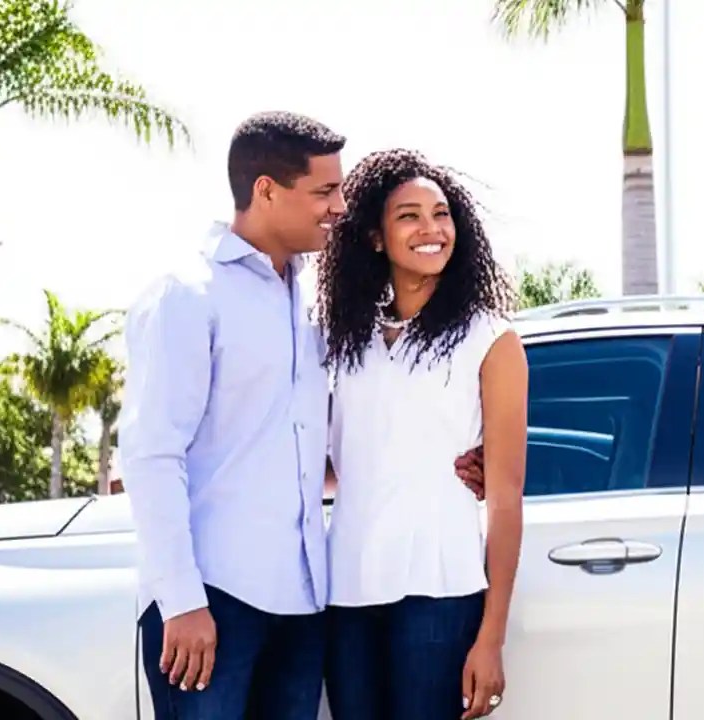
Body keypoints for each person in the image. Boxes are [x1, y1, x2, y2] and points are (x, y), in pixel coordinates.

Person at [118, 113, 484, 719]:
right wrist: (180, 601)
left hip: (304, 603)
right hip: (213, 601)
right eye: (324, 192)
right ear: (266, 190)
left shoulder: (314, 300)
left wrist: (456, 465)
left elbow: (314, 447)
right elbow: (152, 455)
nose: (339, 207)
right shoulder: (188, 295)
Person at [317, 148, 528, 720]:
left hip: (439, 593)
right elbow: (339, 458)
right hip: (347, 593)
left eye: (441, 214)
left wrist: (491, 637)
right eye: (409, 215)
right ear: (375, 238)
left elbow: (506, 497)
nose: (432, 229)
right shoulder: (342, 338)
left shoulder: (489, 339)